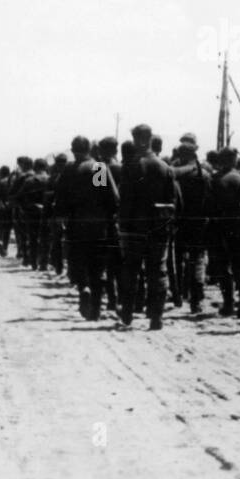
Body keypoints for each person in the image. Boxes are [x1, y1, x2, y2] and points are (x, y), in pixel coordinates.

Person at [118, 124, 180, 330]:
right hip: (158, 228)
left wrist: (122, 224)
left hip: (134, 228)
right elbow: (173, 202)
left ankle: (127, 312)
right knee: (158, 272)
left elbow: (123, 199)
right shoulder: (165, 167)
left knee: (131, 270)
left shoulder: (128, 166)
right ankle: (156, 317)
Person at [56, 135, 120, 320]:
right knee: (97, 266)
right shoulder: (97, 167)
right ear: (89, 149)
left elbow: (60, 199)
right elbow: (109, 197)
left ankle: (83, 287)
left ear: (73, 149)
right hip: (98, 225)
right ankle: (96, 309)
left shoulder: (68, 169)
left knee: (78, 261)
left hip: (76, 224)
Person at [208, 146, 240, 317]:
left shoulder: (214, 180)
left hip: (220, 227)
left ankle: (228, 305)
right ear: (234, 160)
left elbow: (209, 206)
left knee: (223, 268)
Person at [172, 140, 212, 314]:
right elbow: (211, 199)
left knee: (178, 259)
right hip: (199, 222)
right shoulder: (205, 173)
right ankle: (196, 300)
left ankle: (179, 295)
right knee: (197, 260)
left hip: (179, 221)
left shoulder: (175, 173)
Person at [97, 136, 124, 313]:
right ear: (116, 150)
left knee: (105, 262)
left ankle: (111, 299)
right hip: (122, 220)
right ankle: (121, 299)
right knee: (120, 262)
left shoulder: (99, 169)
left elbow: (97, 195)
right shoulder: (123, 167)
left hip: (104, 220)